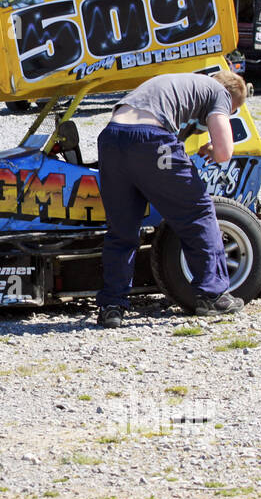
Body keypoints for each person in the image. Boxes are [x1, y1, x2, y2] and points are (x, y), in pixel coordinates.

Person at [94, 69, 249, 328]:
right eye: (231, 111)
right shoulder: (221, 92)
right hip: (150, 138)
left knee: (122, 230)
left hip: (111, 139)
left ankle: (112, 306)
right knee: (198, 212)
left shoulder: (177, 83)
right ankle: (213, 295)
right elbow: (224, 152)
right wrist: (212, 146)